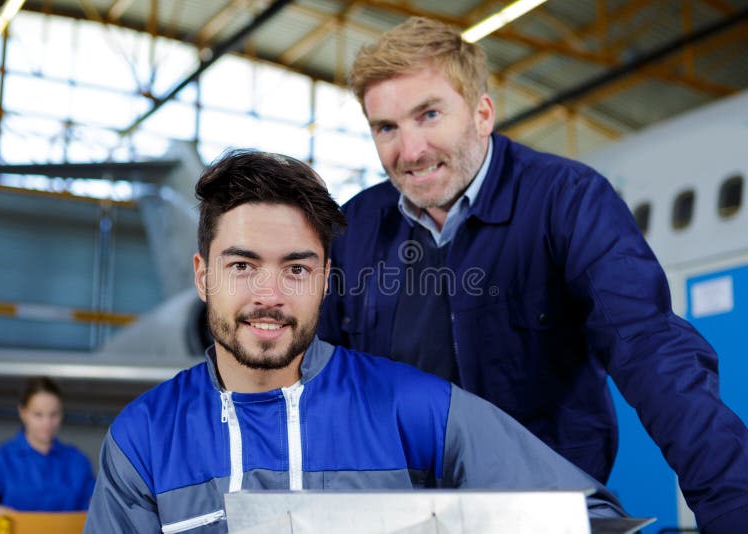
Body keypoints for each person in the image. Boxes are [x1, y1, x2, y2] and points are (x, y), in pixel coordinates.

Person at [316, 16, 748, 534]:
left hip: (547, 512)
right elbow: (320, 387)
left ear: (482, 114)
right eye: (386, 128)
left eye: (429, 114)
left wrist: (733, 507)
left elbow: (652, 351)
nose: (409, 152)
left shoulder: (567, 201)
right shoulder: (353, 231)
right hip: (405, 516)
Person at [84, 150, 625, 533]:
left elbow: (590, 519)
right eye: (243, 266)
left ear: (324, 280)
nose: (269, 295)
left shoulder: (415, 410)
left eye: (296, 269)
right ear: (202, 276)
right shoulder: (143, 441)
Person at [0, 376, 95, 528]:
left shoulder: (77, 462)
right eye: (38, 415)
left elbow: (97, 508)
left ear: (62, 413)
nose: (47, 423)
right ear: (23, 412)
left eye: (54, 414)